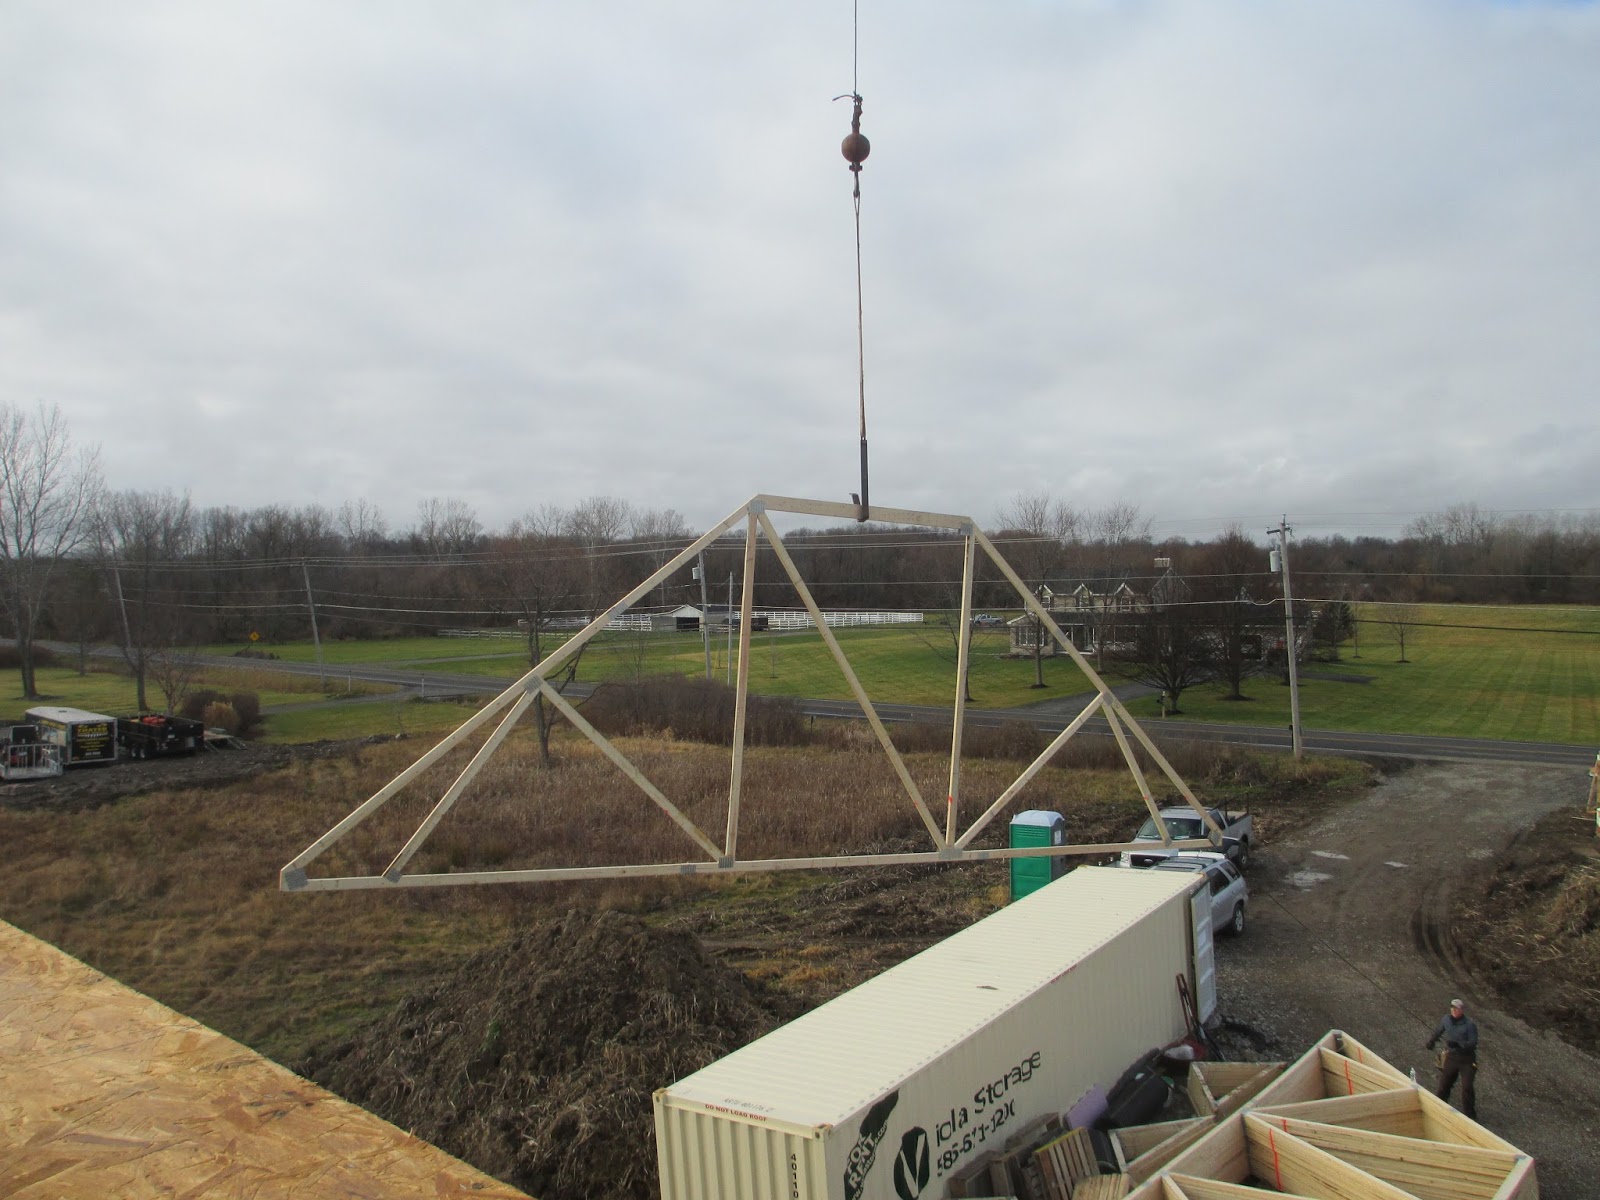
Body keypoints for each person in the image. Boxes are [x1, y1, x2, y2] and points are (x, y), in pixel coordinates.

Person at [1425, 997, 1479, 1118]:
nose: (1454, 1010)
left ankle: (1470, 1115)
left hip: (1467, 1060)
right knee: (1444, 1084)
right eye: (1452, 1008)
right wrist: (1431, 1041)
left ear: (1462, 1010)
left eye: (1457, 1008)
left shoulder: (1470, 1025)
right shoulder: (1446, 1019)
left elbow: (1473, 1043)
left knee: (1467, 1087)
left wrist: (1459, 1044)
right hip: (1452, 1058)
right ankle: (1439, 1107)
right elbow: (1438, 1031)